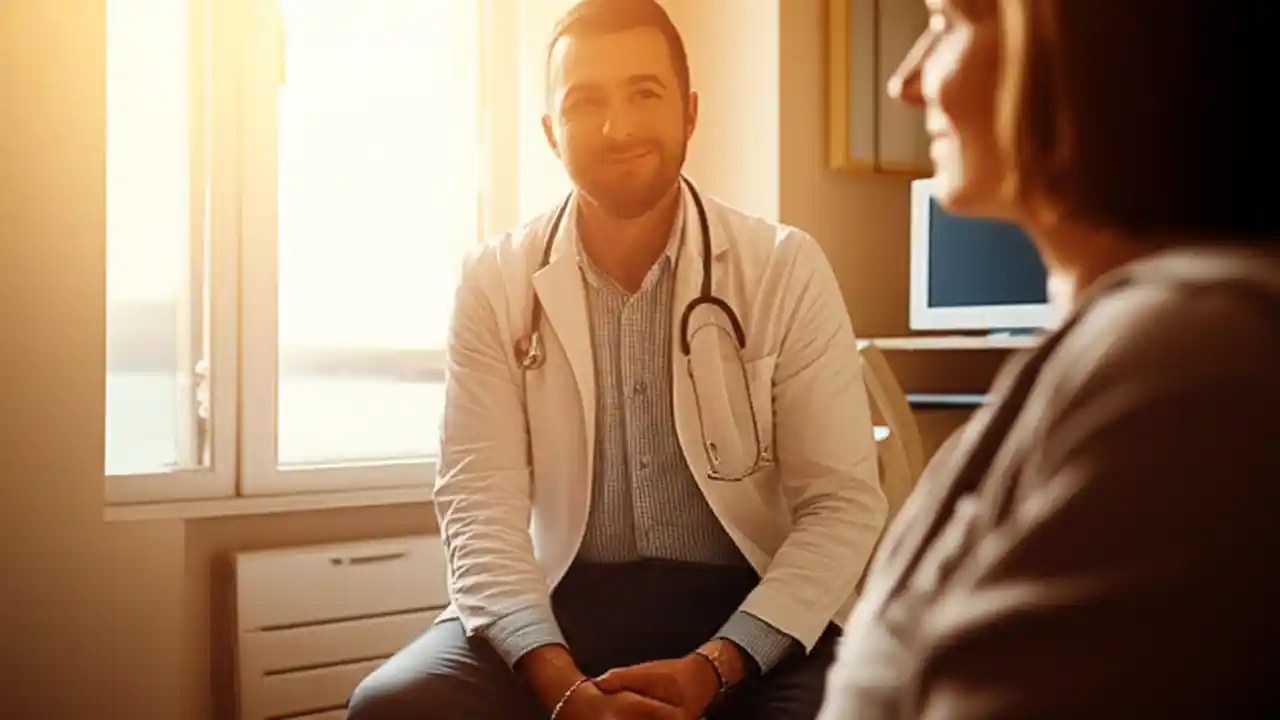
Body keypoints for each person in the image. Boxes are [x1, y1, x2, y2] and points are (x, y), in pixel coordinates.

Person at [348, 1, 887, 718]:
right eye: (585, 102)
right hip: (559, 605)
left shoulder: (784, 267)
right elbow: (478, 508)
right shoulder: (494, 280)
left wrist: (716, 667)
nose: (618, 127)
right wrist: (562, 690)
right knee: (393, 707)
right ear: (550, 131)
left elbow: (841, 505)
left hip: (752, 603)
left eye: (644, 94)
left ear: (689, 113)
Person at [817, 1, 1280, 718]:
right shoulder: (1116, 357)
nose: (904, 83)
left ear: (1089, 46)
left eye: (950, 23)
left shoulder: (1190, 369)